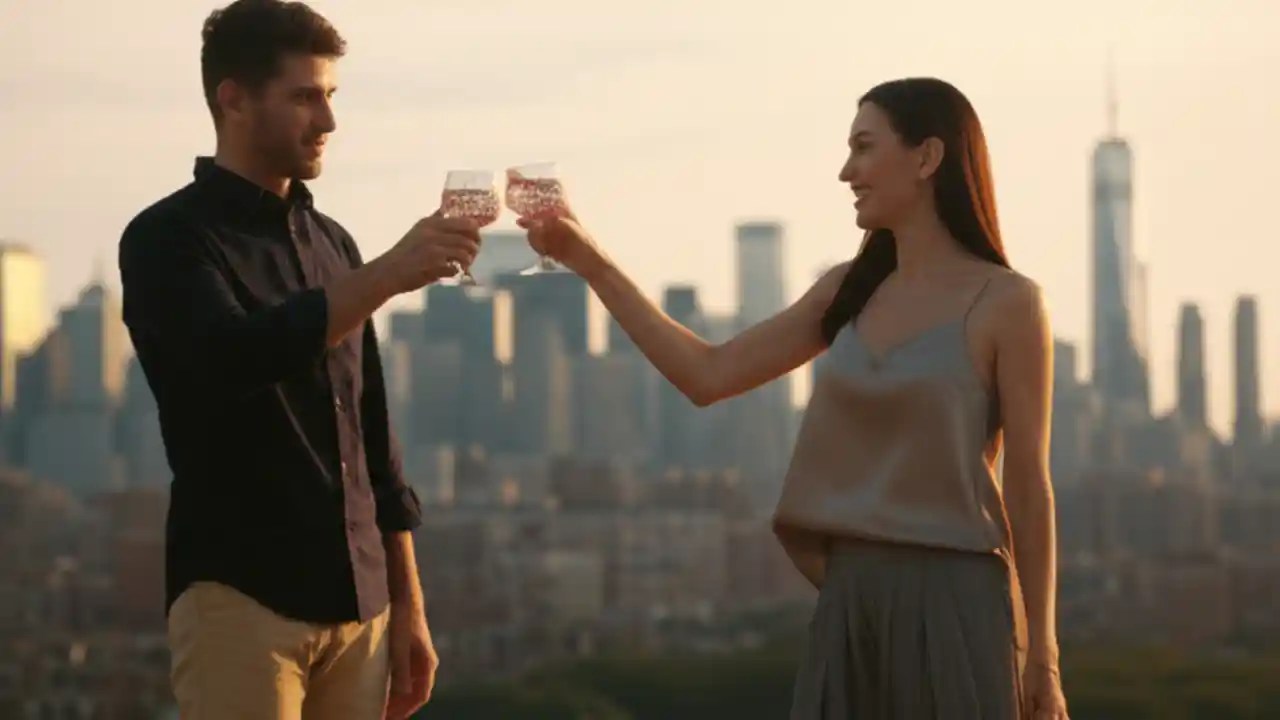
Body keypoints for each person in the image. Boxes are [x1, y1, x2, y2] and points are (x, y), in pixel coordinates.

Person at [522, 77, 1069, 719]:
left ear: (927, 157)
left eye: (864, 148)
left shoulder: (1009, 303)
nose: (846, 172)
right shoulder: (846, 290)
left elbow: (1029, 488)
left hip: (956, 604)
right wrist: (589, 260)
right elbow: (707, 375)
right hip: (848, 605)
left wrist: (1044, 659)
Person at [117, 2, 480, 718]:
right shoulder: (169, 239)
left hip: (362, 609)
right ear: (234, 99)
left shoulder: (333, 246)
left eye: (332, 97)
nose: (328, 121)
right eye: (305, 96)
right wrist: (390, 273)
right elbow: (230, 360)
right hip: (240, 598)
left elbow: (372, 437)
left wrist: (409, 605)